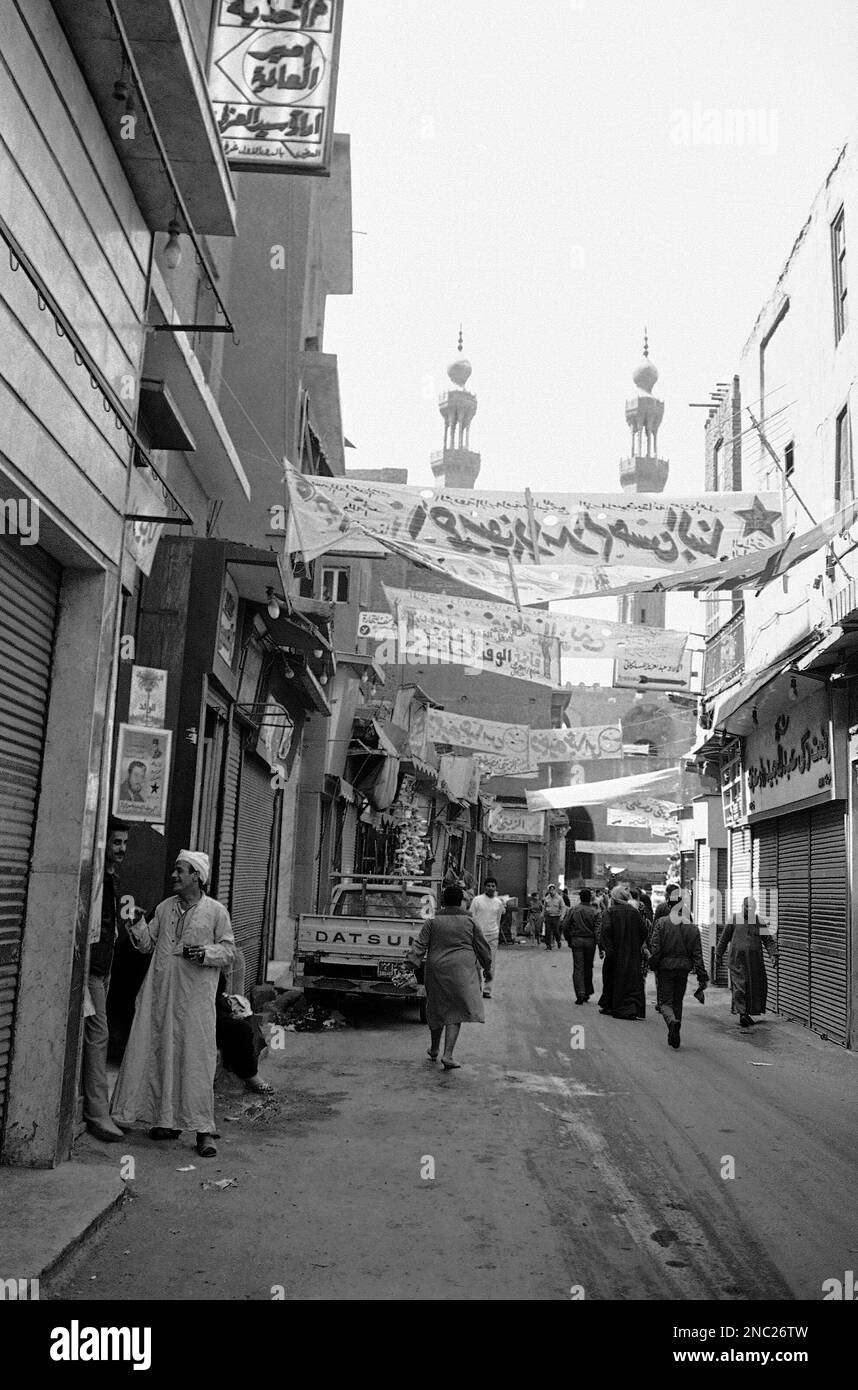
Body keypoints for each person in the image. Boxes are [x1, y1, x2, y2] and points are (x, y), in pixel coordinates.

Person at [111, 850, 235, 1156]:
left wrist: (206, 953)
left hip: (194, 1000)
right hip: (161, 996)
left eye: (180, 871)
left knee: (196, 1062)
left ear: (196, 876)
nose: (174, 876)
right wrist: (138, 924)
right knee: (161, 1056)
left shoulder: (215, 911)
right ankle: (165, 1120)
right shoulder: (165, 908)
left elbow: (229, 952)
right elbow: (147, 946)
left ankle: (204, 1130)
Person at [408, 884, 493, 1070]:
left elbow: (420, 945)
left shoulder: (433, 921)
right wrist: (488, 968)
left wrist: (410, 963)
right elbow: (483, 948)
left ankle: (434, 1049)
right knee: (455, 1010)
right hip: (462, 970)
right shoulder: (470, 922)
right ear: (460, 901)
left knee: (437, 1007)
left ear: (444, 901)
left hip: (436, 969)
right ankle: (448, 1055)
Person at [83, 817, 131, 1142]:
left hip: (104, 968)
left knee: (97, 1035)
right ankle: (97, 1113)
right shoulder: (97, 876)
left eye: (125, 844)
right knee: (99, 1036)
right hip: (91, 970)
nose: (122, 849)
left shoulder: (112, 878)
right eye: (117, 843)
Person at [648, 890, 709, 1049]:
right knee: (677, 1002)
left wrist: (653, 964)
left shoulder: (661, 923)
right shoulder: (693, 928)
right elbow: (697, 955)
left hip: (666, 968)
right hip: (683, 969)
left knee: (665, 1003)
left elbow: (656, 949)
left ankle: (672, 1022)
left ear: (669, 906)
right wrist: (702, 977)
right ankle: (674, 1032)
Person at [715, 895, 778, 1028]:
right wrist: (718, 955)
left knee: (753, 987)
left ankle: (747, 1013)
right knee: (740, 987)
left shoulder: (758, 922)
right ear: (742, 907)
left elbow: (768, 940)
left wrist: (773, 955)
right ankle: (742, 1014)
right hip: (737, 961)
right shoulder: (734, 920)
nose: (749, 910)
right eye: (747, 907)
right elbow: (724, 939)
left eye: (752, 908)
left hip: (754, 962)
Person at [598, 882, 648, 1019]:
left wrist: (608, 949)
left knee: (611, 978)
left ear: (614, 898)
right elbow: (644, 931)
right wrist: (635, 945)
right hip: (631, 954)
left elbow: (605, 932)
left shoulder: (610, 912)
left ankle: (610, 1006)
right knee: (631, 981)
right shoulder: (634, 912)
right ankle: (632, 1009)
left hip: (615, 954)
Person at [469, 877, 505, 999]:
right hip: (478, 936)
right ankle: (478, 987)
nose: (490, 888)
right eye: (488, 886)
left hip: (493, 936)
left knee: (490, 964)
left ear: (496, 888)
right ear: (484, 887)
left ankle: (487, 989)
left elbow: (498, 920)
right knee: (477, 964)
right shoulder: (477, 900)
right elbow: (471, 918)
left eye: (493, 886)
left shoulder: (498, 903)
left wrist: (497, 934)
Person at [564, 888, 601, 1004]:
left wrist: (569, 939)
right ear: (590, 898)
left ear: (580, 897)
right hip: (590, 942)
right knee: (588, 967)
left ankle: (580, 993)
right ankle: (587, 992)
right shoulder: (595, 912)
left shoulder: (574, 910)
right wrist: (600, 946)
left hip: (577, 940)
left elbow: (566, 925)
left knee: (578, 967)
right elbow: (598, 930)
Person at [542, 883, 564, 950]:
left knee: (556, 931)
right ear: (548, 891)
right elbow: (544, 907)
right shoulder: (546, 898)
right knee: (547, 931)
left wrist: (562, 916)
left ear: (555, 890)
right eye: (550, 890)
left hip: (556, 916)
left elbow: (563, 907)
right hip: (548, 916)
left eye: (553, 890)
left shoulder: (559, 898)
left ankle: (558, 941)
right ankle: (548, 945)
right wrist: (543, 915)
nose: (551, 891)